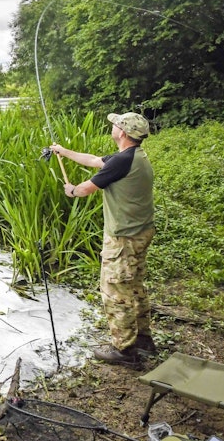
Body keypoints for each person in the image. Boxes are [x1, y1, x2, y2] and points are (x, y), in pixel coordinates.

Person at [49, 112, 155, 368]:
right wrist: (64, 151)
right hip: (140, 232)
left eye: (116, 125)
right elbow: (96, 161)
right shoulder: (133, 157)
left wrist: (73, 190)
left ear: (122, 133)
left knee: (116, 290)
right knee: (135, 285)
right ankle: (143, 339)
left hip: (124, 239)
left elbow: (86, 189)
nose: (113, 127)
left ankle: (124, 350)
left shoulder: (122, 161)